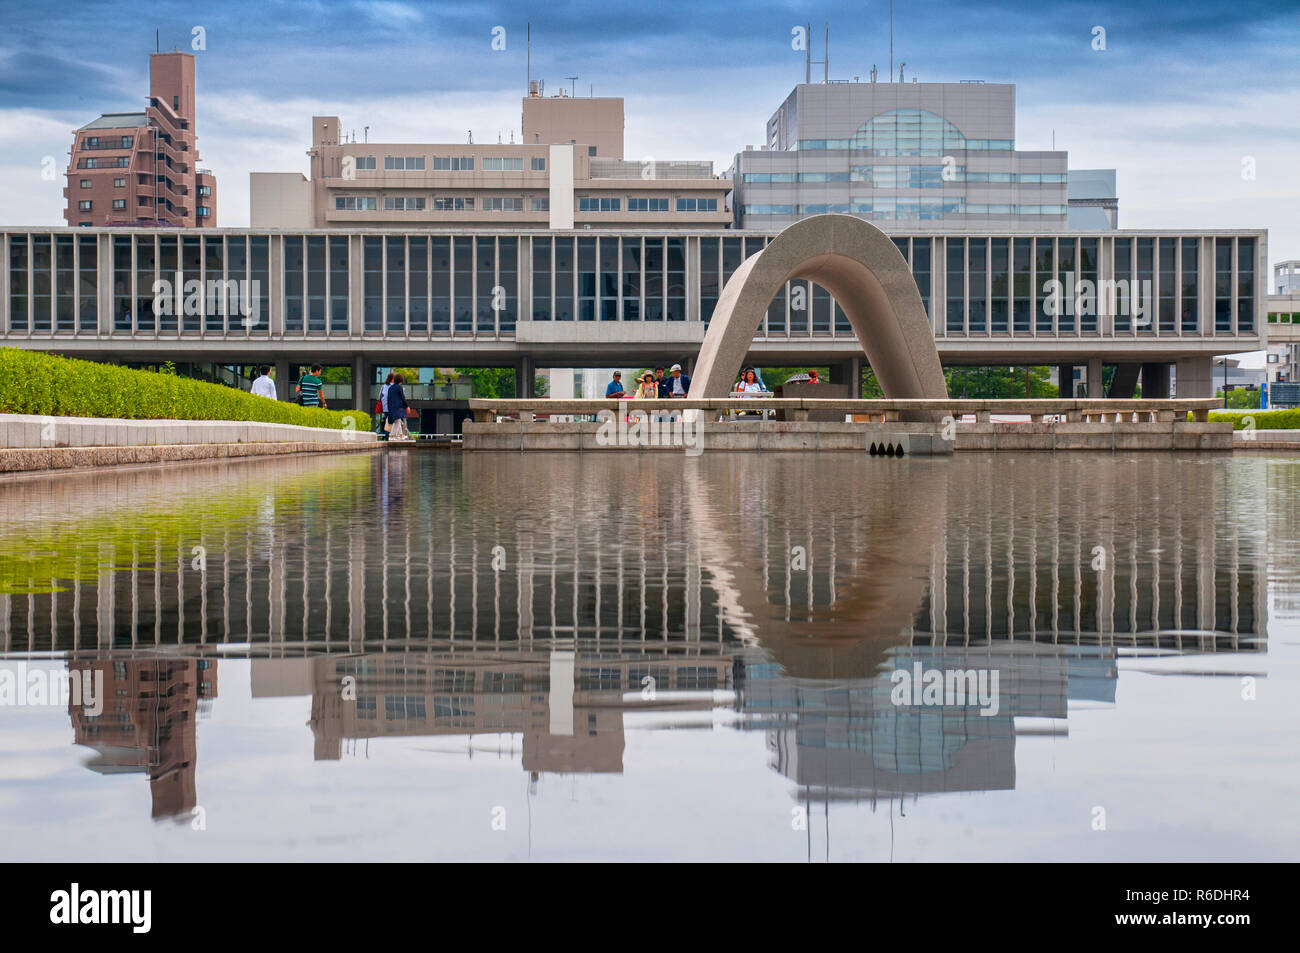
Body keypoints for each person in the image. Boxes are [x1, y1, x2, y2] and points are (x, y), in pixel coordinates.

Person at [387, 373, 412, 441]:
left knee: (397, 421)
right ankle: (391, 436)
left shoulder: (390, 388)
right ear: (401, 380)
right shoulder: (399, 388)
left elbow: (388, 399)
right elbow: (403, 398)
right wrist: (407, 406)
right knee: (397, 421)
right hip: (398, 407)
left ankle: (401, 435)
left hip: (391, 407)